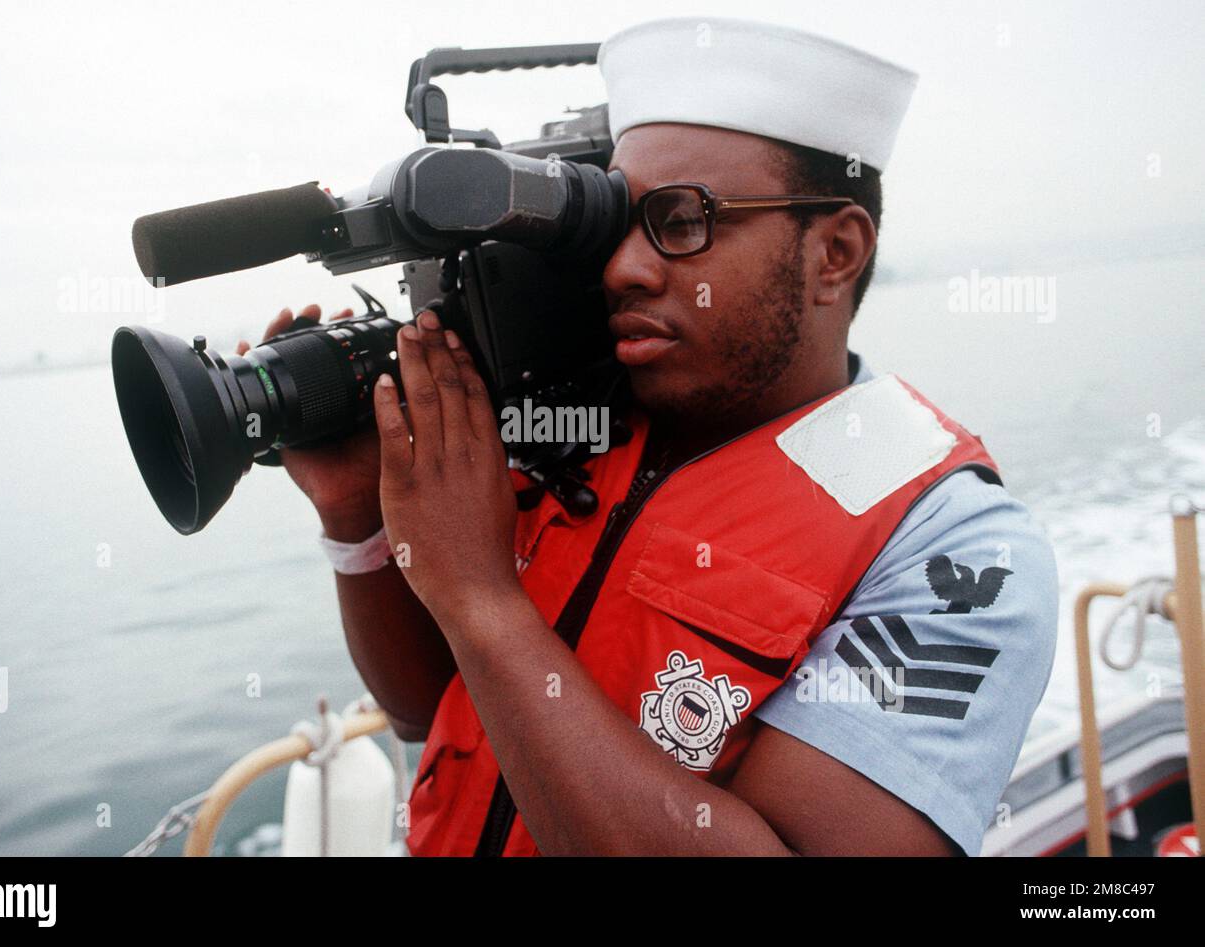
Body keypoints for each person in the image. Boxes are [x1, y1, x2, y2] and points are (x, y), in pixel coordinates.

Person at [238, 17, 1058, 856]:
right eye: (613, 224)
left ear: (836, 252)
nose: (623, 267)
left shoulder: (954, 551)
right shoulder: (566, 422)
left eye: (681, 220)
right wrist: (357, 521)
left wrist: (484, 600)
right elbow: (427, 707)